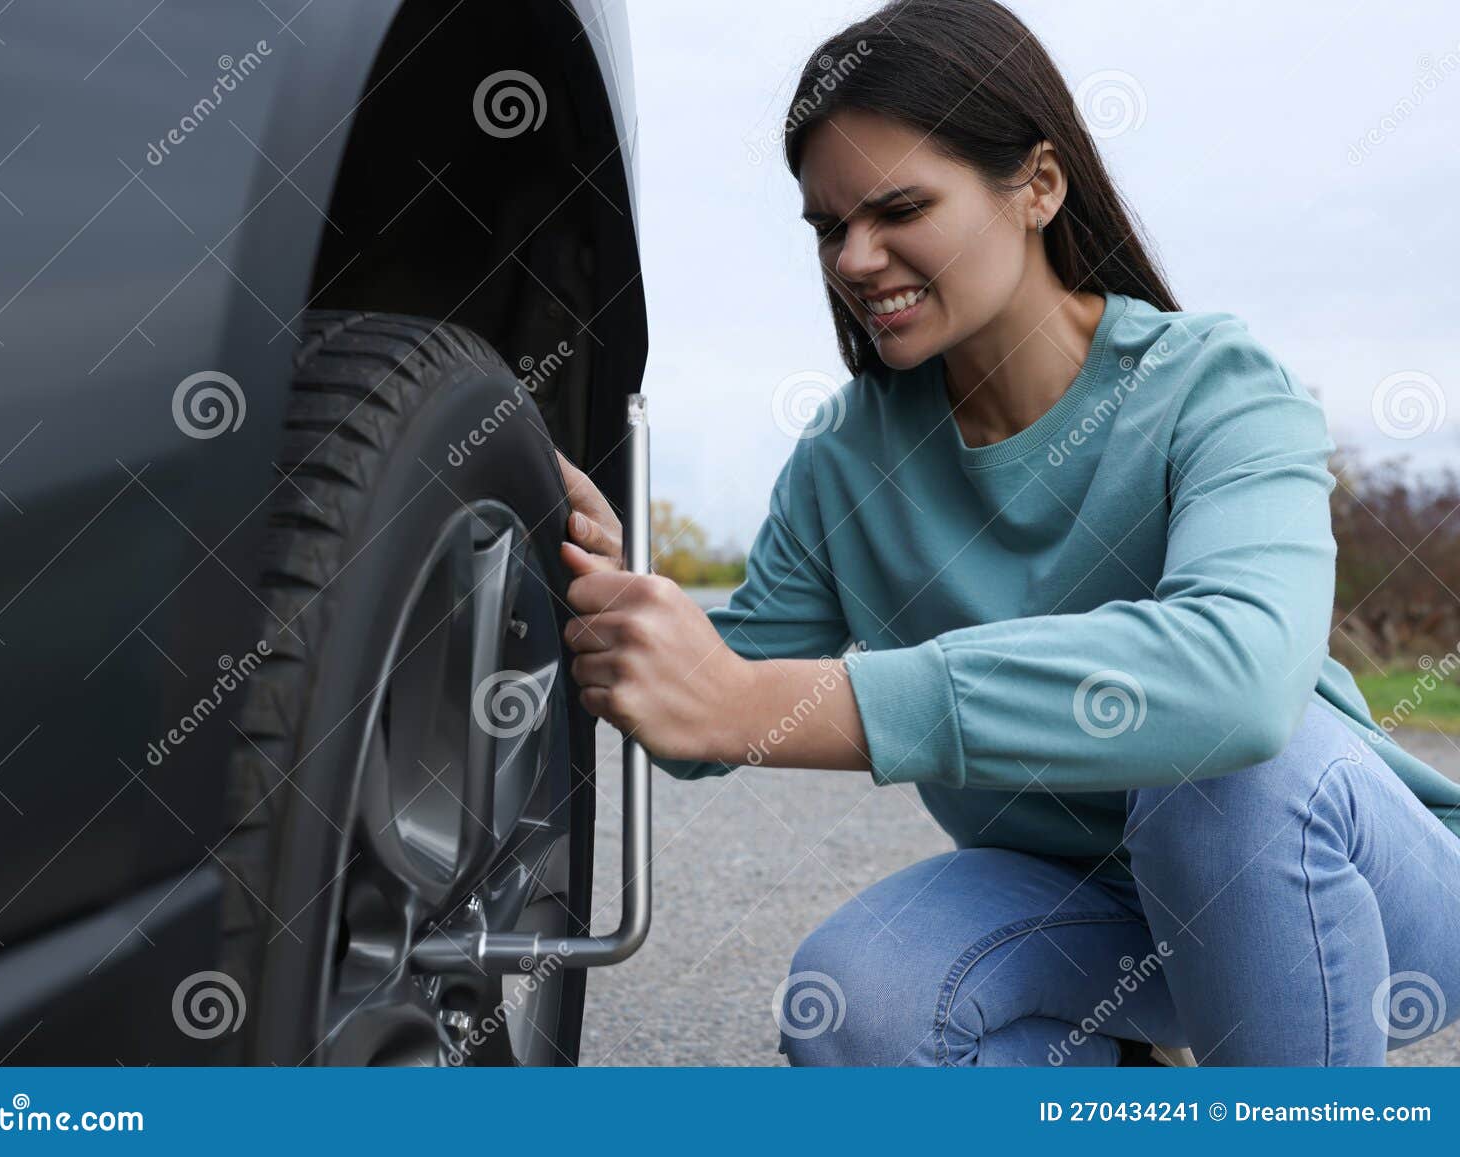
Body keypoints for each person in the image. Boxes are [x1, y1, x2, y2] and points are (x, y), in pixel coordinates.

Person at [553, 0, 1460, 1067]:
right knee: (861, 1002)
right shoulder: (846, 456)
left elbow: (1240, 681)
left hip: (1342, 878)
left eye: (899, 209)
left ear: (1036, 184)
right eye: (828, 225)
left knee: (1218, 773)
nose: (853, 258)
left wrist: (763, 700)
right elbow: (723, 698)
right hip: (1090, 913)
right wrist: (617, 604)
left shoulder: (1218, 385)